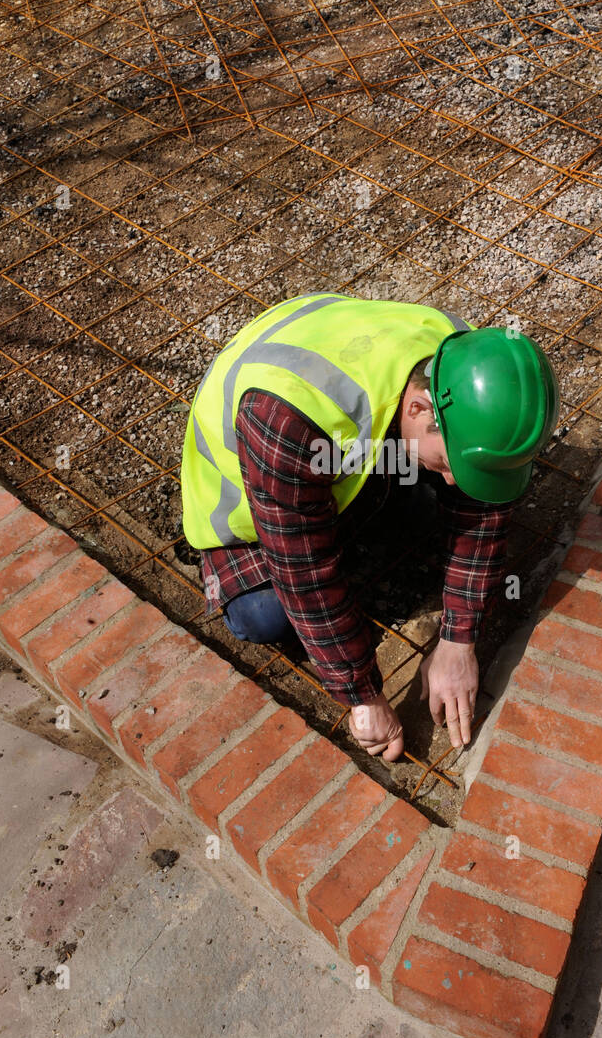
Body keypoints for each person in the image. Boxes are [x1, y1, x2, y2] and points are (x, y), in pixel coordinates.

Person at [180, 293, 559, 763]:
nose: (452, 479)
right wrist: (363, 696)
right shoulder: (288, 417)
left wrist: (458, 639)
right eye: (449, 463)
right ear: (418, 410)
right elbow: (304, 571)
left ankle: (375, 494)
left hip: (332, 446)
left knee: (426, 504)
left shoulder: (461, 361)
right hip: (250, 506)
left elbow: (482, 509)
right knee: (264, 615)